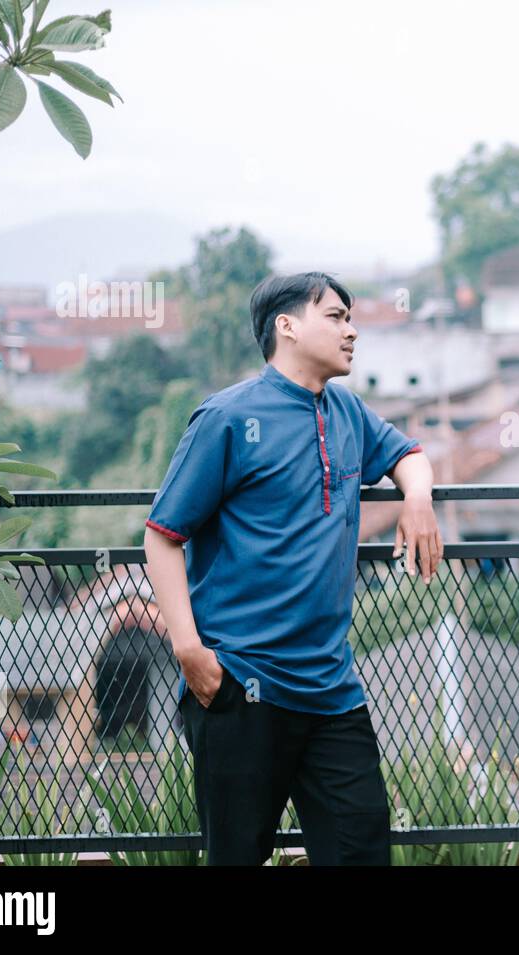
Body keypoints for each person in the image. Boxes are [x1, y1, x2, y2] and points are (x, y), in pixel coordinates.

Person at [144, 271, 442, 865]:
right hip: (240, 684)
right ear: (287, 326)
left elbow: (409, 454)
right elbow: (162, 536)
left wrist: (418, 498)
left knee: (363, 853)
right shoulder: (228, 418)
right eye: (335, 317)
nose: (352, 331)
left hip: (333, 691)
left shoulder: (348, 412)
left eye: (351, 318)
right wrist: (189, 651)